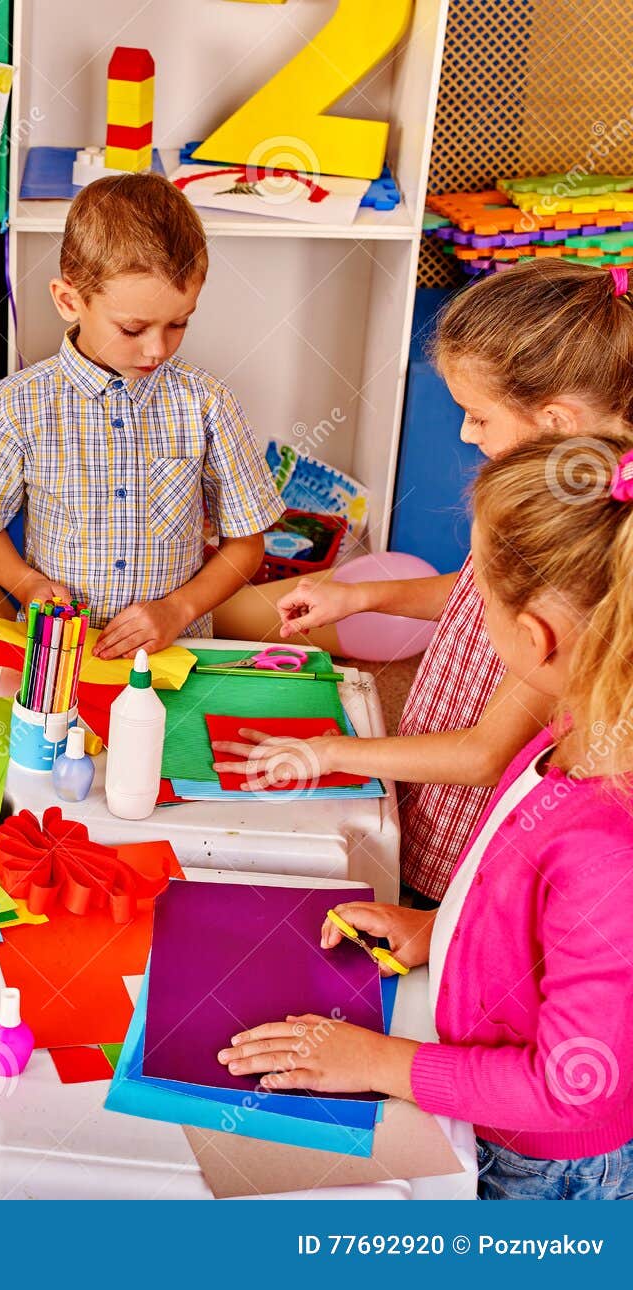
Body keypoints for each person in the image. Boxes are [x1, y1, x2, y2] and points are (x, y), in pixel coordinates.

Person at [217, 431, 633, 1199]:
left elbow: (576, 1086)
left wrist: (376, 1064)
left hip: (541, 1161)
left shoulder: (608, 843)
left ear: (534, 637)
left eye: (482, 601)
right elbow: (516, 904)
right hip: (475, 1079)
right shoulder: (572, 730)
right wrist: (436, 930)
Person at [216, 260, 633, 902]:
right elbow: (469, 592)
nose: (466, 434)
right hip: (431, 766)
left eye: (477, 415)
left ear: (554, 422)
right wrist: (361, 596)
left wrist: (331, 754)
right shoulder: (553, 498)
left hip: (466, 822)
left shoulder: (579, 560)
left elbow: (481, 757)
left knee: (432, 919)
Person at [0, 172, 283, 658]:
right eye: (133, 328)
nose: (156, 349)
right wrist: (28, 587)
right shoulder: (16, 404)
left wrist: (179, 609)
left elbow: (245, 547)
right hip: (58, 654)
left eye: (179, 323)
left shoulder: (209, 403)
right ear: (69, 301)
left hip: (175, 654)